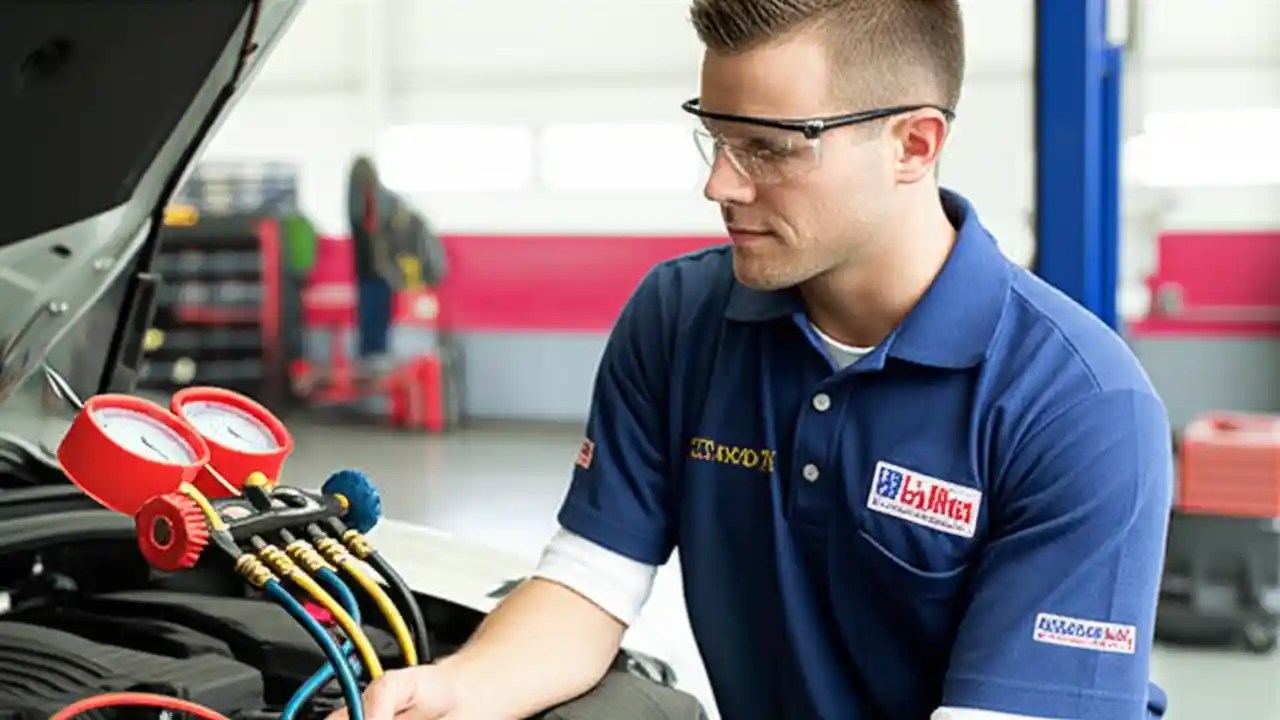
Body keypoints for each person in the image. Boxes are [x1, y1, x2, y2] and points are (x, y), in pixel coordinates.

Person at [330, 0, 1173, 718]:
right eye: (716, 137)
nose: (722, 186)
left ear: (914, 145)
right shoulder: (679, 321)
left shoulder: (1077, 406)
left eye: (769, 148)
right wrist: (455, 690)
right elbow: (588, 586)